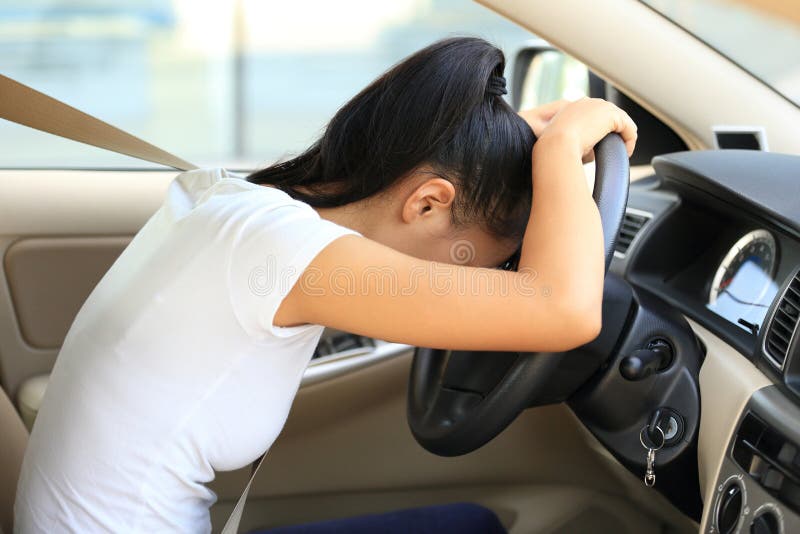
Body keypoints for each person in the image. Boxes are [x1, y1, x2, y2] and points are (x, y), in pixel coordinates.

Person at [14, 37, 636, 532]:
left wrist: (506, 144)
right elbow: (565, 311)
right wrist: (557, 151)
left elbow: (443, 168)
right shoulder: (293, 255)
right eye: (478, 263)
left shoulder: (240, 203)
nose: (473, 280)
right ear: (425, 204)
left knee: (468, 522)